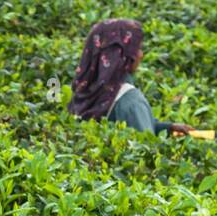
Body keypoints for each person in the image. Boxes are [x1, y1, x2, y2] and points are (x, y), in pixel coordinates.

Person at [68, 19, 198, 137]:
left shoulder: (84, 92)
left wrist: (167, 128)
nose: (141, 55)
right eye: (137, 48)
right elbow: (145, 147)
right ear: (121, 56)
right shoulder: (131, 102)